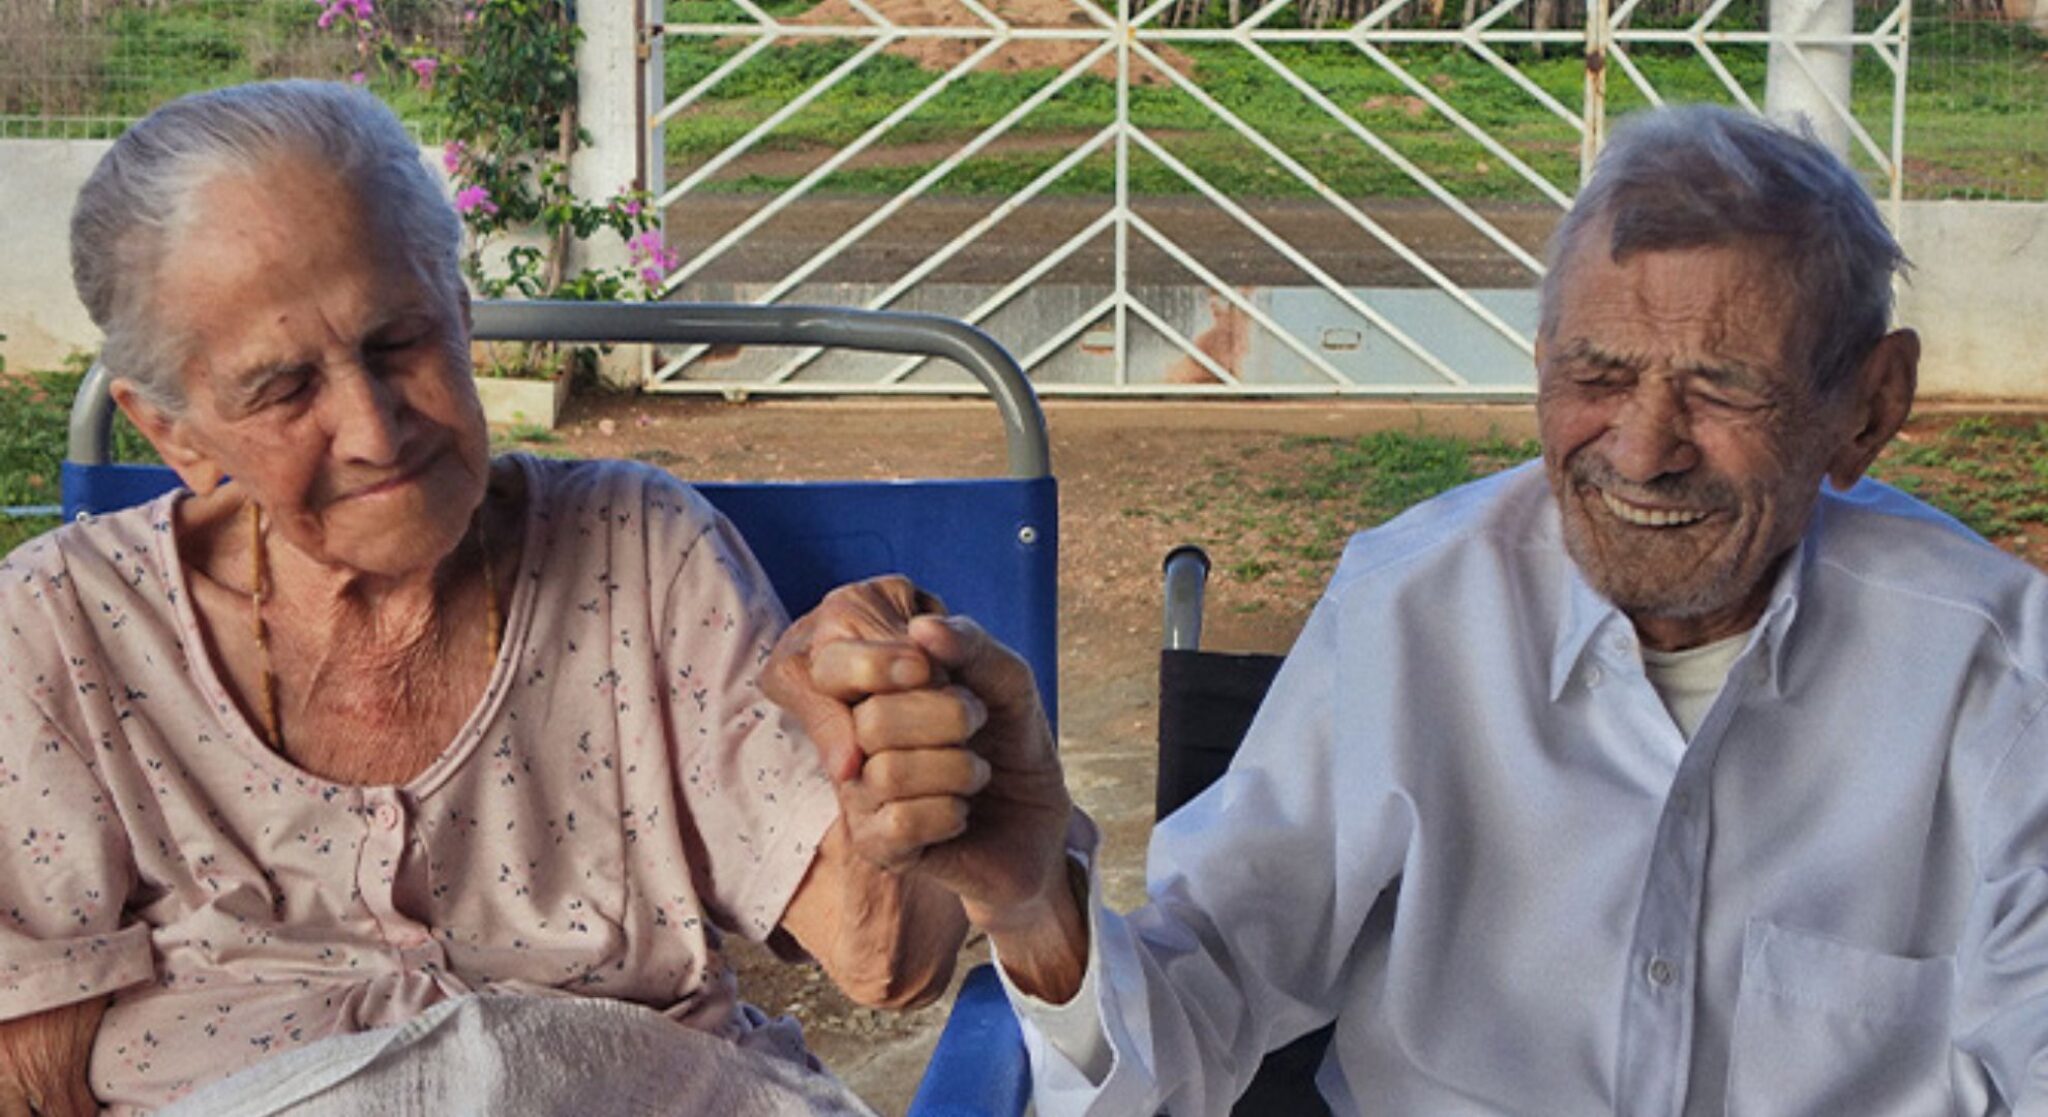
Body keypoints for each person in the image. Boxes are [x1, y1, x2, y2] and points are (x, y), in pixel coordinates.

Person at [768, 105, 2048, 1115]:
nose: (1642, 449)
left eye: (1723, 387)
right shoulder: (1413, 609)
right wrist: (1033, 898)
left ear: (1866, 408)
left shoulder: (1998, 678)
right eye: (1592, 373)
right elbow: (1189, 1028)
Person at [0, 81, 968, 1116]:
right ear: (175, 434)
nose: (374, 430)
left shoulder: (639, 550)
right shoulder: (59, 632)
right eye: (284, 389)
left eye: (399, 341)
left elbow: (884, 956)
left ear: (459, 314)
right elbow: (28, 1076)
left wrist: (888, 765)